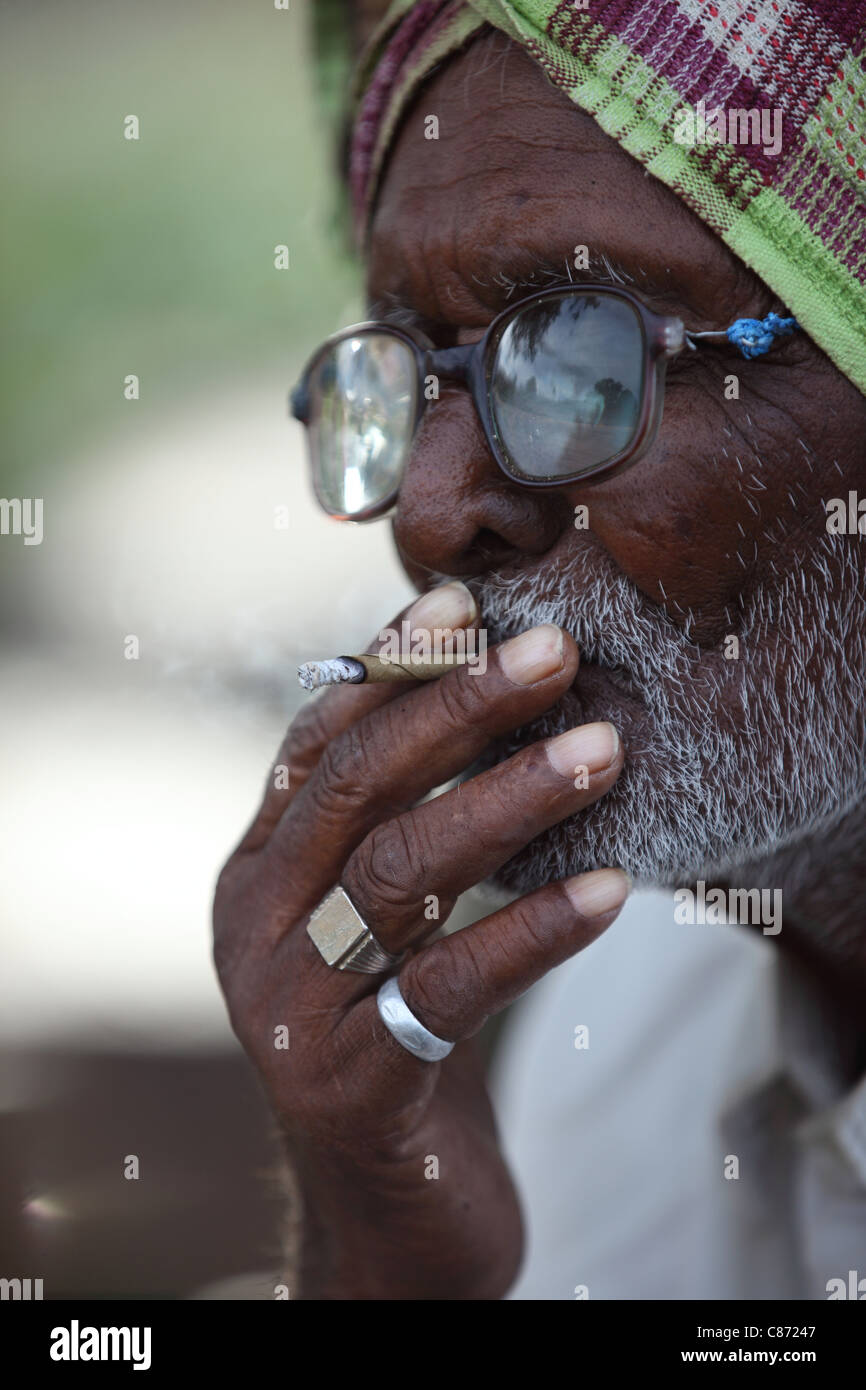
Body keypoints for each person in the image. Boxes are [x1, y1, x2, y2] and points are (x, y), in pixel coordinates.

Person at [213, 0, 866, 1299]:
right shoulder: (614, 1010)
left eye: (581, 349)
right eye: (397, 370)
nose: (429, 508)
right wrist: (375, 1256)